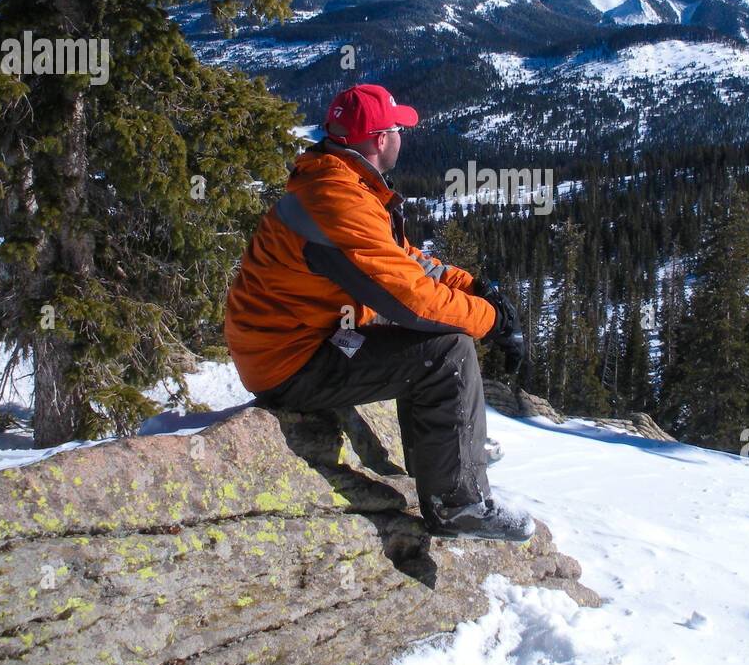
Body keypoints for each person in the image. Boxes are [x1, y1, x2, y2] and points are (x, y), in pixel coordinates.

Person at [224, 83, 534, 541]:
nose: (403, 136)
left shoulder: (340, 182)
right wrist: (492, 322)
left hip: (300, 338)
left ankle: (446, 455)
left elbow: (403, 259)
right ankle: (457, 505)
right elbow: (410, 299)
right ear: (380, 139)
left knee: (425, 340)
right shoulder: (338, 200)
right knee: (447, 351)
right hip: (290, 362)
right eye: (397, 128)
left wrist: (474, 287)